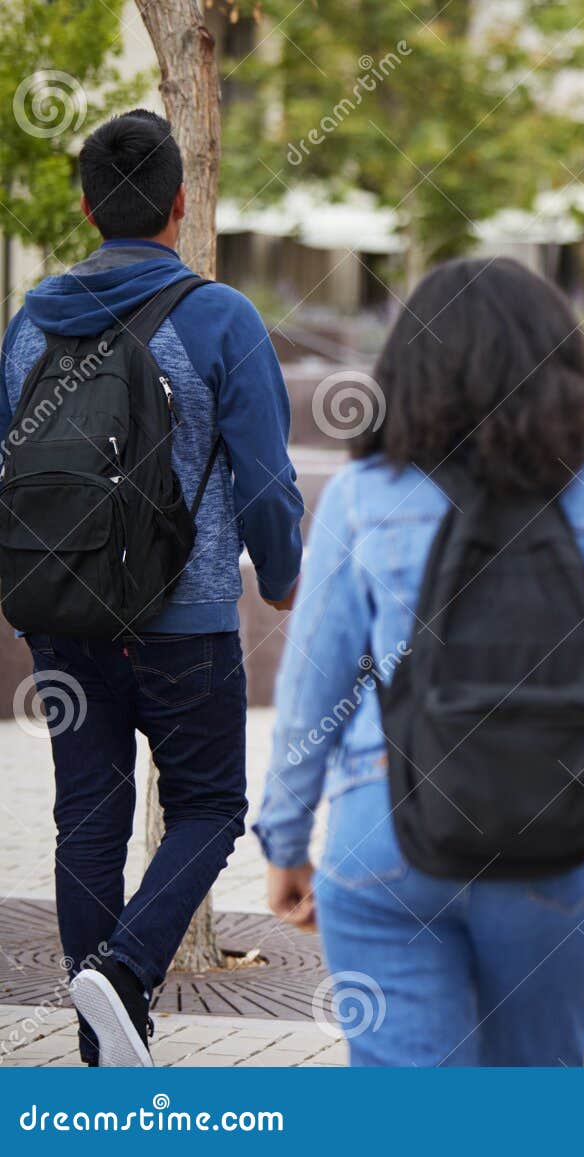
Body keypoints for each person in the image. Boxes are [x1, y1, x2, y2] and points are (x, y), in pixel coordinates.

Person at [253, 257, 584, 1067]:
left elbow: (310, 693)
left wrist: (287, 842)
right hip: (552, 840)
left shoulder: (367, 493)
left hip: (385, 833)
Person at [0, 109, 304, 1067]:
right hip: (186, 619)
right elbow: (264, 479)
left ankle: (104, 1052)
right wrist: (285, 575)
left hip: (63, 617)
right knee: (211, 806)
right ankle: (129, 970)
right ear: (180, 205)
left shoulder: (30, 318)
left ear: (87, 206)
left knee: (87, 816)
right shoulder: (221, 317)